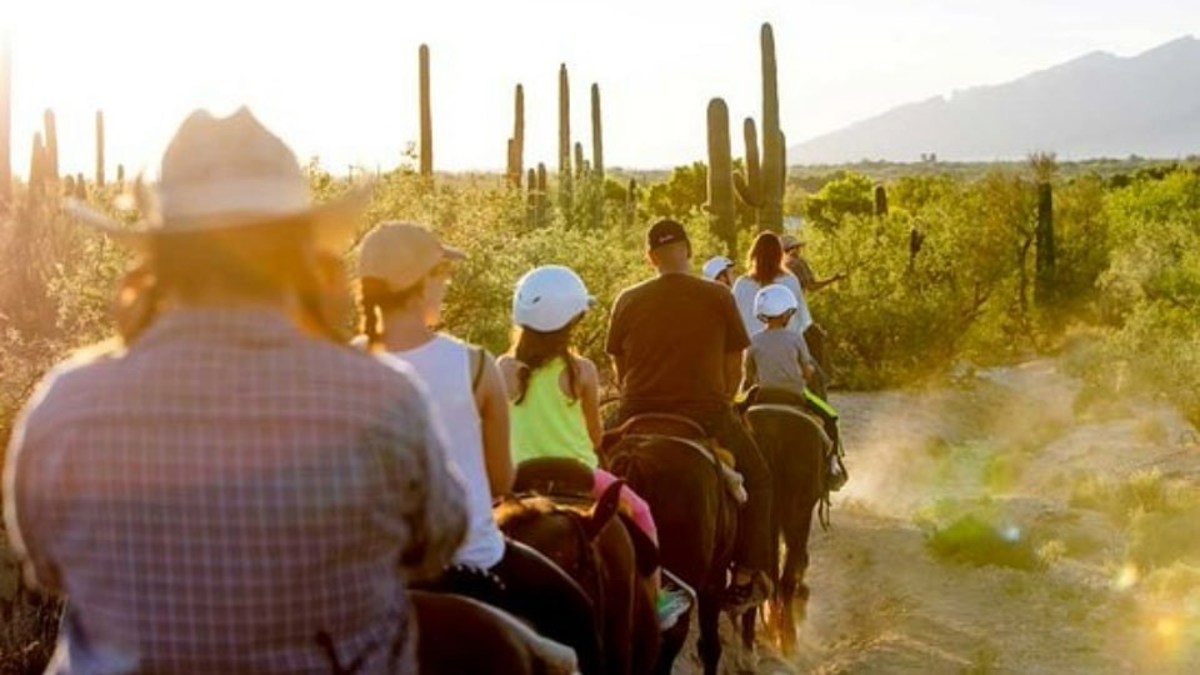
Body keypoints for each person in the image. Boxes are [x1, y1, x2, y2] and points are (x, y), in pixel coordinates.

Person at [3, 108, 468, 674]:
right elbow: (437, 542)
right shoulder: (383, 398)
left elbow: (48, 567)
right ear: (301, 250)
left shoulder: (67, 406)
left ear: (158, 257)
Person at [356, 223, 603, 675]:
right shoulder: (474, 365)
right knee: (579, 616)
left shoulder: (338, 365)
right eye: (442, 276)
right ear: (419, 285)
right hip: (472, 553)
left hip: (370, 570)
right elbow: (500, 480)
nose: (445, 286)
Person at [498, 264, 691, 627]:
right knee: (643, 512)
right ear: (574, 321)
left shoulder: (502, 368)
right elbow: (595, 434)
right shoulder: (581, 371)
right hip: (578, 476)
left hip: (516, 481)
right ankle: (658, 597)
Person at [605, 218, 774, 612]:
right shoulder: (718, 295)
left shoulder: (627, 299)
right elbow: (736, 363)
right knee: (761, 479)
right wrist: (724, 399)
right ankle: (749, 574)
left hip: (636, 410)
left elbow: (618, 367)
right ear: (689, 250)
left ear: (650, 258)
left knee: (588, 471)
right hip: (706, 412)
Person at [781, 233, 845, 383]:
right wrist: (833, 279)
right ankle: (824, 378)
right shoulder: (798, 263)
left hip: (780, 315)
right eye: (796, 247)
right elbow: (812, 286)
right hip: (799, 314)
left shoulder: (780, 266)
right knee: (817, 339)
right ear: (793, 249)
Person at [732, 232, 812, 340]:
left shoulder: (742, 284)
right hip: (786, 349)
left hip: (751, 350)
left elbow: (732, 321)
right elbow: (803, 319)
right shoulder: (790, 281)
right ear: (779, 255)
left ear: (753, 255)